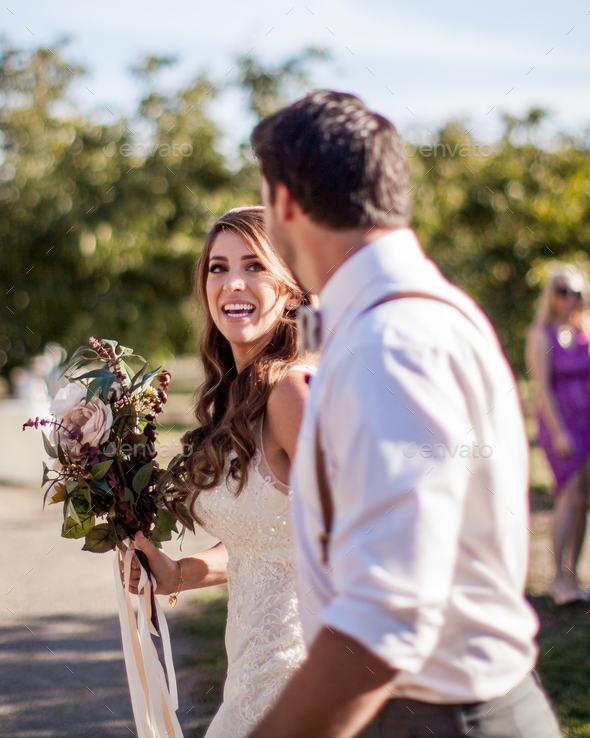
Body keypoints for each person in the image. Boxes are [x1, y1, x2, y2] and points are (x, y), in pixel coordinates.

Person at [245, 91, 562, 738]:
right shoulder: (409, 313)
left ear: (282, 201)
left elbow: (385, 618)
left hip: (437, 720)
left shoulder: (388, 341)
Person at [125, 206, 316, 737]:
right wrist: (180, 573)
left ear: (294, 290)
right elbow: (276, 536)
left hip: (304, 681)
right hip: (252, 675)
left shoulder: (292, 393)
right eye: (218, 267)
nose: (233, 281)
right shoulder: (238, 395)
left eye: (256, 265)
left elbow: (367, 532)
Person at [526, 264, 590, 605]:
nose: (570, 298)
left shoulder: (583, 332)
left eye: (577, 292)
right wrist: (559, 431)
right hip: (560, 424)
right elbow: (543, 390)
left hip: (588, 420)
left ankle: (574, 575)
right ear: (551, 295)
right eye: (564, 291)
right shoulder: (541, 335)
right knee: (567, 496)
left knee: (584, 501)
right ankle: (556, 578)